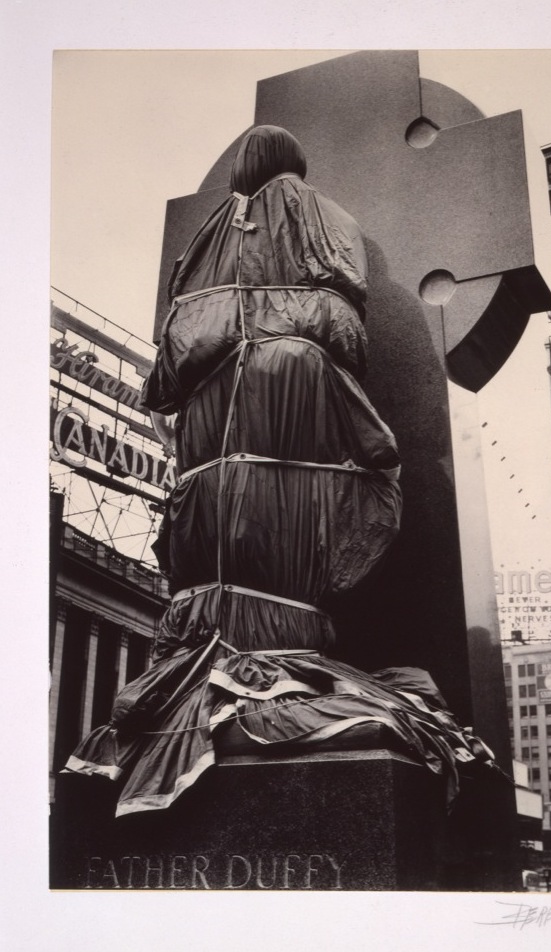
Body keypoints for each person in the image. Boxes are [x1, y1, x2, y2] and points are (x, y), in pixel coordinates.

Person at [64, 125, 496, 816]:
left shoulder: (206, 237)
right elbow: (346, 321)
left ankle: (217, 671)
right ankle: (276, 666)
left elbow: (175, 348)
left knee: (229, 539)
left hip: (212, 422)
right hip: (294, 391)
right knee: (291, 520)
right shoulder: (329, 220)